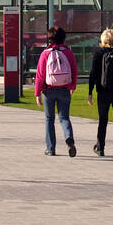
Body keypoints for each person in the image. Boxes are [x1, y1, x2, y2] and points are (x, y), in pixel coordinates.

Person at [35, 25, 78, 156]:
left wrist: (37, 93)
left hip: (48, 90)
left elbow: (40, 75)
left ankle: (50, 148)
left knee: (49, 119)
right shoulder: (68, 52)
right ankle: (68, 138)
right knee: (64, 117)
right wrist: (72, 87)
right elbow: (74, 71)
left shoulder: (45, 53)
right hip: (64, 89)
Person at [87, 28, 113, 160]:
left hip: (103, 92)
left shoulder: (99, 54)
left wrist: (90, 92)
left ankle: (100, 147)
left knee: (103, 120)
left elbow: (93, 74)